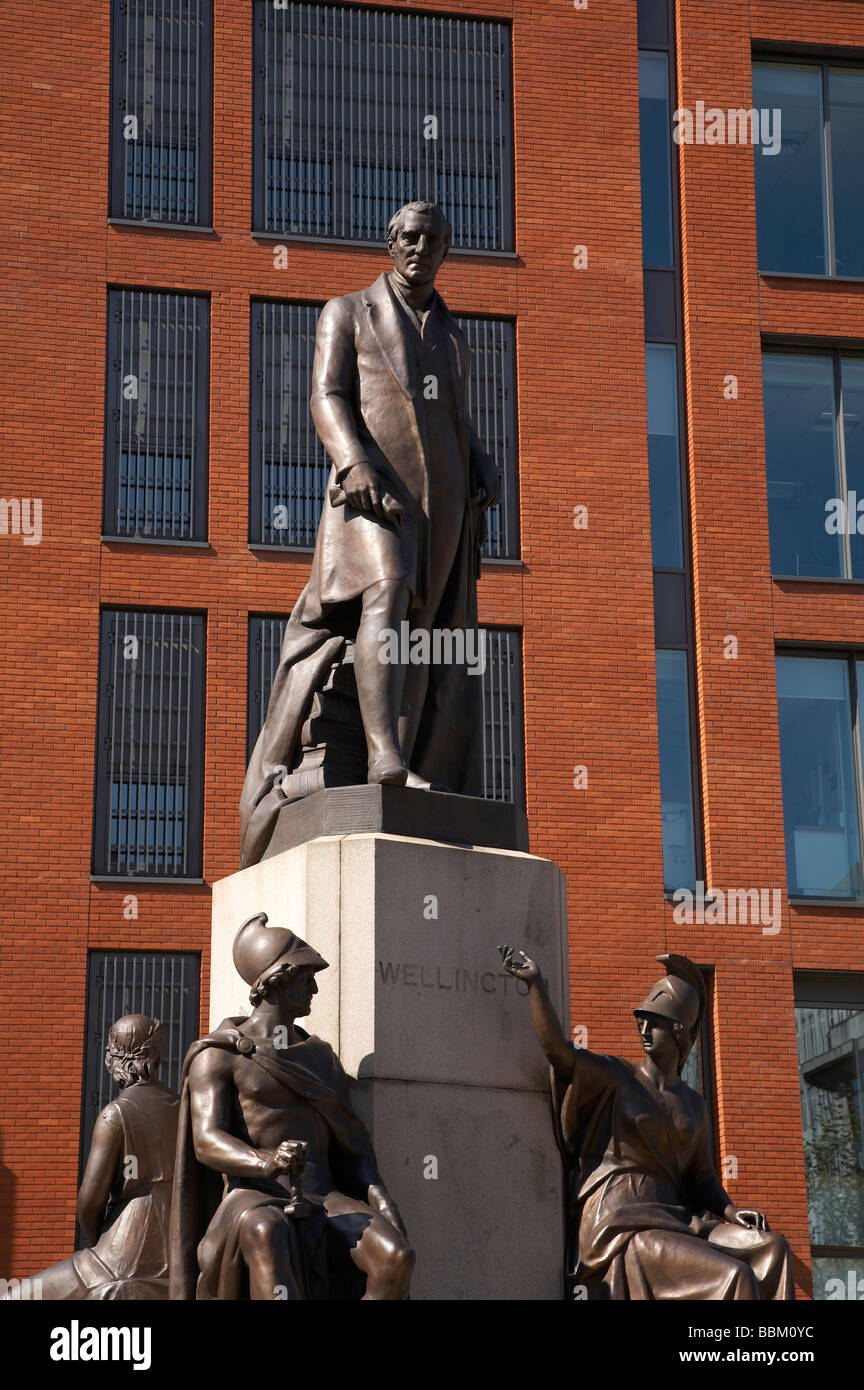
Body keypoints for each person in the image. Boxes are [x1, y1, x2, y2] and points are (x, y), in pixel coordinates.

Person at [240, 200, 500, 866]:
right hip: (369, 497)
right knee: (386, 591)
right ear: (391, 244)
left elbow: (455, 419)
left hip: (440, 508)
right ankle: (385, 758)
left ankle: (416, 757)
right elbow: (325, 394)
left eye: (434, 240)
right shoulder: (347, 312)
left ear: (445, 250)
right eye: (410, 237)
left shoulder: (453, 333)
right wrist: (351, 460)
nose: (421, 248)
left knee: (433, 630)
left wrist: (479, 457)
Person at [500, 947, 795, 1300]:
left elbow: (701, 1178)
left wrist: (731, 1211)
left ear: (678, 1033)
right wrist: (536, 986)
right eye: (641, 1020)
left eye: (654, 1022)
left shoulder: (694, 1105)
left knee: (773, 1249)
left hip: (678, 1217)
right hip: (623, 1218)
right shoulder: (617, 1077)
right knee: (732, 1276)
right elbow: (558, 1052)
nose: (643, 1029)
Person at [170, 913, 414, 1300]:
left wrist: (378, 1193)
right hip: (255, 1194)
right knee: (269, 1231)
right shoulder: (219, 1055)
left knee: (396, 1256)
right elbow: (206, 1140)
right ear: (275, 981)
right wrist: (268, 1161)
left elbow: (351, 1143)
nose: (314, 987)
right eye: (305, 977)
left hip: (326, 1196)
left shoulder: (320, 1056)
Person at [3, 1014, 179, 1300]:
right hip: (171, 1253)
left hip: (120, 1257)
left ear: (113, 1059)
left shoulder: (115, 1114)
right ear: (156, 1055)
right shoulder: (182, 1108)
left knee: (15, 1297)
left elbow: (89, 1201)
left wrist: (100, 1239)